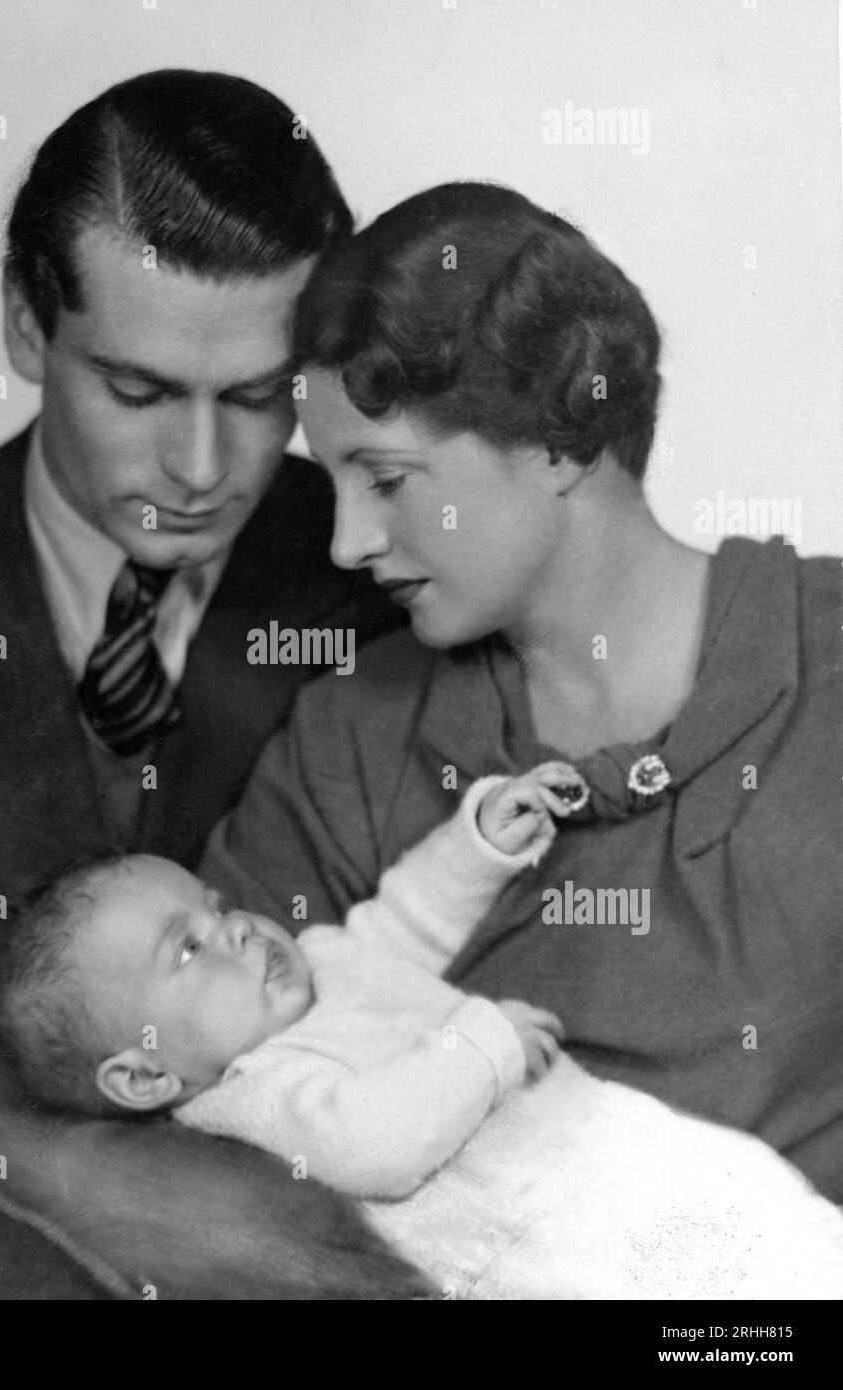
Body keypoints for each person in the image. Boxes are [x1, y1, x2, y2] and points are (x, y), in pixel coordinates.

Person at [0, 69, 400, 1294]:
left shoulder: (392, 588)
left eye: (260, 399)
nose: (202, 465)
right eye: (139, 390)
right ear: (23, 322)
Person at [200, 181, 843, 1204]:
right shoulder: (354, 733)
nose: (346, 543)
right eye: (332, 484)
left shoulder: (825, 659)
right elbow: (210, 1100)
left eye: (388, 479)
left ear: (558, 438)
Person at [0, 765, 843, 1299]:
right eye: (188, 950)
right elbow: (375, 1145)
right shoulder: (255, 1099)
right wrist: (483, 1047)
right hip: (545, 1247)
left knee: (782, 1225)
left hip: (622, 1154)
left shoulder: (321, 962)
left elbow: (407, 920)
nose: (236, 929)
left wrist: (478, 846)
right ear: (143, 1077)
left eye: (214, 907)